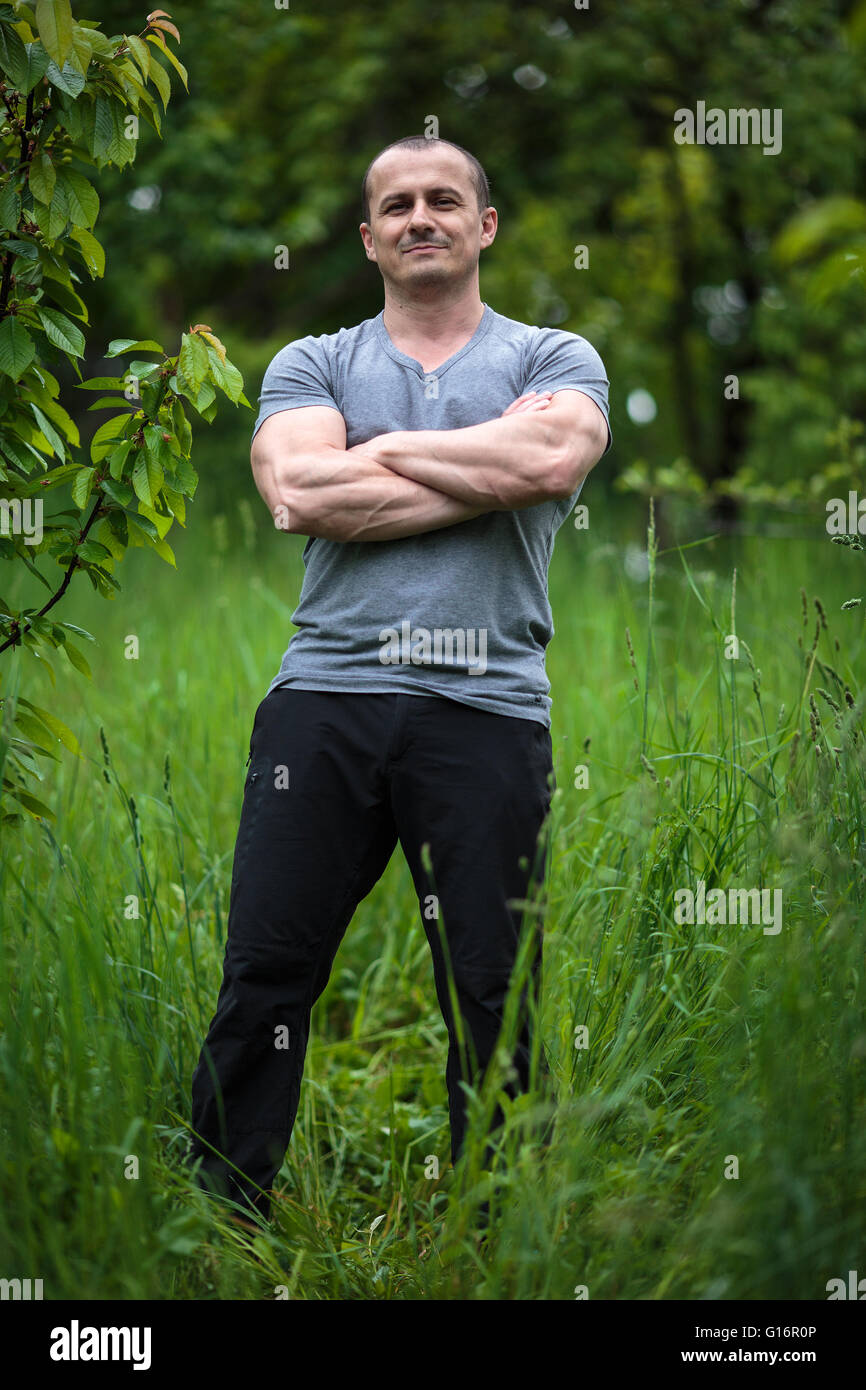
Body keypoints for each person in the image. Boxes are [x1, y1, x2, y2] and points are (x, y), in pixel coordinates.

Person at [188, 135, 612, 1226]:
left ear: (483, 226)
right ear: (371, 236)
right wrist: (486, 463)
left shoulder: (553, 356)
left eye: (442, 199)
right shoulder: (313, 362)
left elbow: (551, 463)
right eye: (395, 204)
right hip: (323, 701)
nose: (419, 215)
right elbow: (296, 495)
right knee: (267, 972)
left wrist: (368, 457)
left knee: (491, 988)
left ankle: (498, 1217)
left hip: (486, 707)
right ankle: (223, 1208)